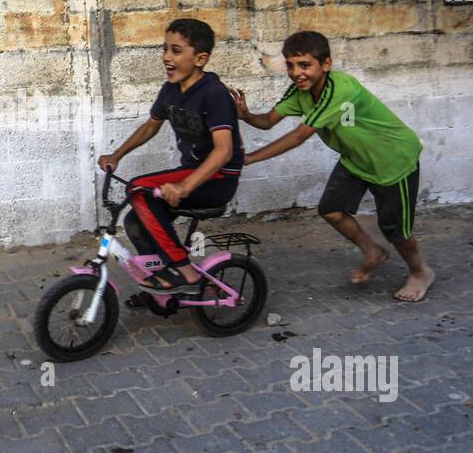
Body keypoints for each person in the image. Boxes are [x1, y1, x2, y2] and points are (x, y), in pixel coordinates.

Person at [234, 30, 434, 301]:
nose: (296, 73)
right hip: (356, 158)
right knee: (331, 210)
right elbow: (269, 121)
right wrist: (245, 115)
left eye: (305, 65)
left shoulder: (340, 89)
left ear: (326, 64)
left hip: (392, 159)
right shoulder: (301, 91)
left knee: (396, 230)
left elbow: (300, 135)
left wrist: (248, 158)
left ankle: (420, 272)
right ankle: (373, 253)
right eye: (290, 65)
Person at [96, 19, 244, 292]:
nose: (166, 57)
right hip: (192, 172)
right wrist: (116, 155)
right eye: (164, 49)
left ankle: (184, 271)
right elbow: (151, 125)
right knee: (135, 221)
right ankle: (164, 286)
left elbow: (224, 151)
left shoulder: (214, 94)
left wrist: (184, 186)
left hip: (217, 179)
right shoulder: (171, 90)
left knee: (139, 189)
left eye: (176, 51)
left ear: (200, 58)